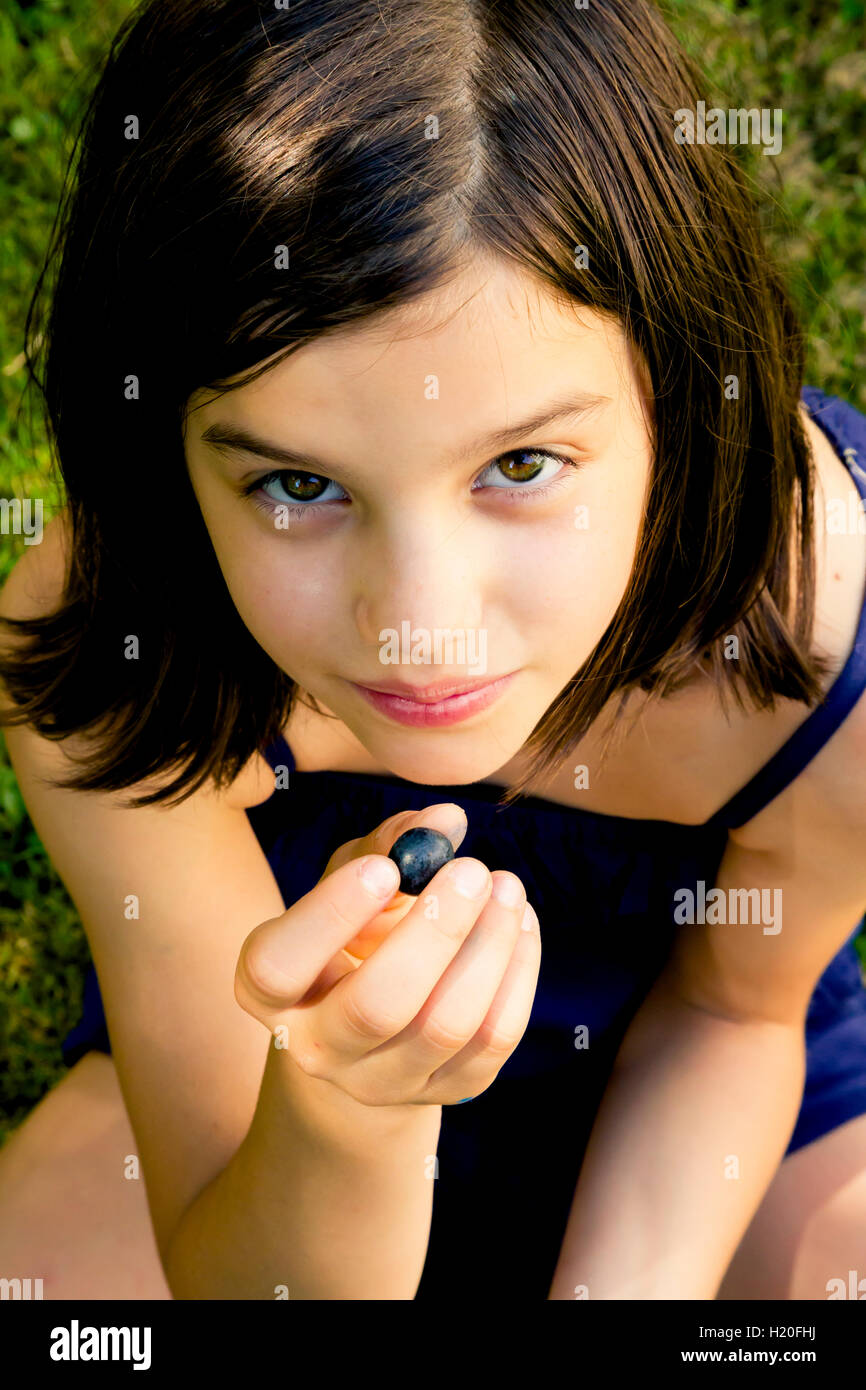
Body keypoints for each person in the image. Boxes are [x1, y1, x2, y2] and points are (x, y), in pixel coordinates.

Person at [1, 0, 865, 1301]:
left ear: (676, 401)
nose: (420, 623)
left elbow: (734, 1010)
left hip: (688, 1074)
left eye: (519, 465)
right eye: (297, 483)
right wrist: (349, 1107)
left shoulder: (817, 623)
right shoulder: (114, 642)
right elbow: (246, 1277)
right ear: (169, 460)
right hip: (256, 1076)